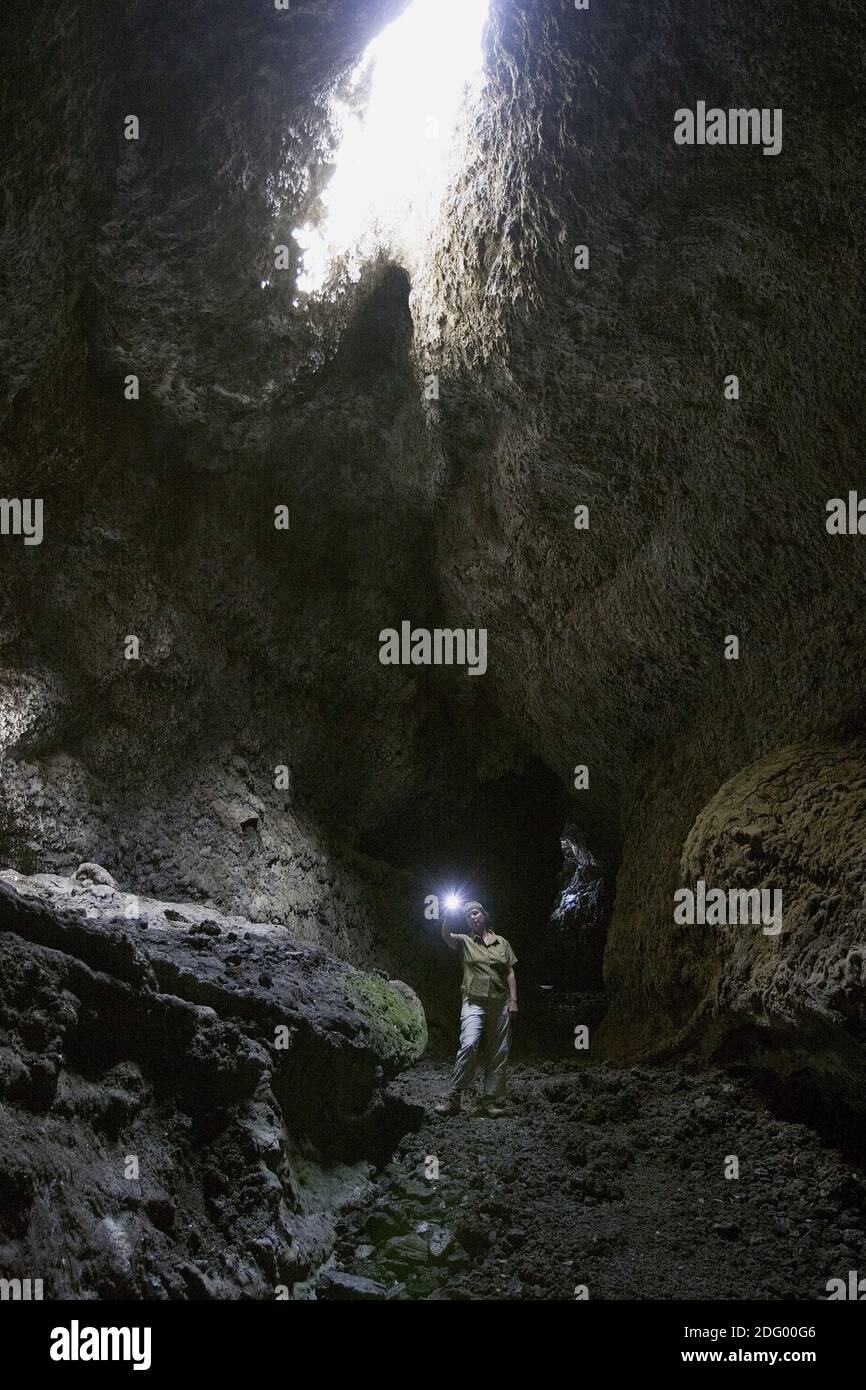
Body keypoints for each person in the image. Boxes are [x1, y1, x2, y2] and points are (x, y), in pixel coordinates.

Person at [435, 899, 518, 1118]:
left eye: (476, 913)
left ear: (483, 914)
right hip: (473, 1001)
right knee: (469, 1044)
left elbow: (509, 971)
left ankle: (489, 1101)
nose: (473, 918)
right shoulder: (464, 941)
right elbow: (446, 937)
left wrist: (513, 1000)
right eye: (468, 916)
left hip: (499, 1003)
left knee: (498, 1051)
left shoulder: (502, 942)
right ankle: (455, 1098)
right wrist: (446, 916)